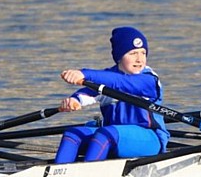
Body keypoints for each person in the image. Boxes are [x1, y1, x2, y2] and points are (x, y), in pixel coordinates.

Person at [54, 26, 170, 164]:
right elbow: (87, 93)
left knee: (105, 134)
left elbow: (120, 82)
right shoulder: (107, 78)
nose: (139, 59)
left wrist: (84, 74)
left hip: (149, 138)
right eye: (133, 53)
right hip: (115, 136)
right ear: (119, 57)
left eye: (143, 53)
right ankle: (56, 175)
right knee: (72, 134)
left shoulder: (149, 80)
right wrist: (74, 101)